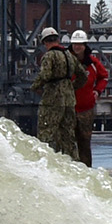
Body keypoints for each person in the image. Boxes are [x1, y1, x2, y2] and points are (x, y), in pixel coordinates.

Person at [34, 28, 82, 159]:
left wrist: (34, 87)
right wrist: (71, 87)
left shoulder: (49, 56)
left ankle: (46, 163)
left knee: (46, 133)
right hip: (69, 100)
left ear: (44, 42)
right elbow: (83, 75)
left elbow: (45, 75)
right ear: (58, 39)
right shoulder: (69, 55)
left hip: (52, 99)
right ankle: (75, 166)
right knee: (68, 135)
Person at [71, 31, 109, 166]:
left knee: (85, 141)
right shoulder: (66, 60)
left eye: (79, 44)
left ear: (84, 45)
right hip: (68, 108)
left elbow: (104, 76)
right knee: (68, 141)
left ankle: (86, 169)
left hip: (86, 108)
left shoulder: (93, 62)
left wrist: (97, 91)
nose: (77, 47)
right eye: (75, 44)